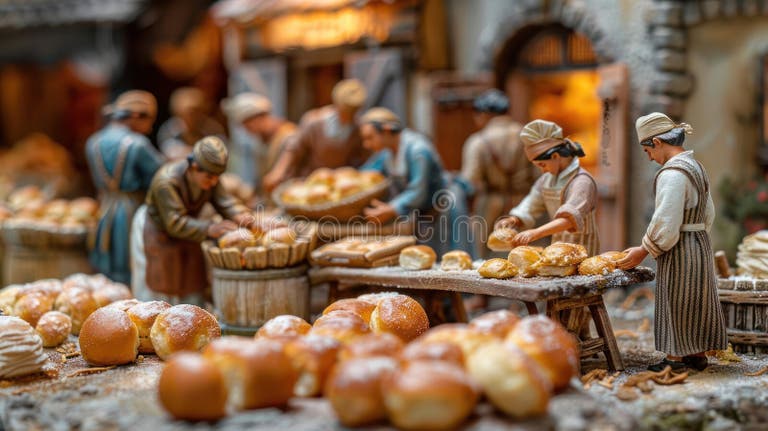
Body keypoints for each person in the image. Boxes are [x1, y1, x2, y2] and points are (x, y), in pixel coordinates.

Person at [617, 112, 727, 371]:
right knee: (698, 299)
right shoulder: (696, 167)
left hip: (679, 247)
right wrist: (698, 234)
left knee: (676, 299)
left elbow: (665, 220)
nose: (649, 157)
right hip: (699, 241)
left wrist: (644, 249)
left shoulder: (672, 174)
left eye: (647, 151)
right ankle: (697, 353)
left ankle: (675, 359)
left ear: (657, 142)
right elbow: (708, 211)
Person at [140, 136, 252, 306]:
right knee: (166, 282)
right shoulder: (166, 183)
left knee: (193, 278)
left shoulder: (210, 176)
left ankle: (193, 313)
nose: (214, 182)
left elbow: (224, 202)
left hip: (192, 230)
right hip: (162, 234)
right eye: (209, 177)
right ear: (194, 168)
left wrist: (242, 216)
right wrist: (209, 229)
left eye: (217, 177)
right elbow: (174, 223)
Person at [358, 107, 471, 256]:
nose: (367, 144)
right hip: (423, 213)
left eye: (370, 138)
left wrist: (391, 209)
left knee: (454, 256)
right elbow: (365, 173)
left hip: (443, 207)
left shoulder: (418, 150)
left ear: (385, 130)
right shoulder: (386, 153)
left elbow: (418, 191)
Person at [85, 90, 165, 285]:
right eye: (150, 120)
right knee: (130, 260)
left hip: (104, 208)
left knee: (107, 261)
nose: (150, 127)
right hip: (132, 209)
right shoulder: (138, 144)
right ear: (136, 117)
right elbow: (162, 176)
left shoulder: (93, 142)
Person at [495, 119, 599, 254]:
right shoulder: (546, 180)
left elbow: (568, 219)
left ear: (555, 156)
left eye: (543, 165)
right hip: (558, 245)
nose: (542, 171)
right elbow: (531, 203)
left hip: (582, 246)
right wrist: (514, 219)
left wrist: (536, 233)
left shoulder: (582, 182)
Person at [461, 89, 538, 258]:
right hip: (525, 203)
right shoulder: (529, 136)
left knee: (486, 256)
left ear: (484, 114)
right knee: (527, 254)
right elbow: (541, 173)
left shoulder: (478, 141)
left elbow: (470, 180)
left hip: (490, 204)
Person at [262, 79, 369, 192]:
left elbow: (362, 156)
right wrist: (279, 172)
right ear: (336, 105)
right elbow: (294, 149)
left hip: (338, 186)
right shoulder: (314, 122)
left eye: (352, 113)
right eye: (345, 111)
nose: (348, 116)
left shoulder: (357, 128)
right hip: (311, 183)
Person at [221, 92, 296, 193]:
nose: (246, 130)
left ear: (258, 117)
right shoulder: (261, 142)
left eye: (247, 125)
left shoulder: (289, 136)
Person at [157, 87, 225, 160]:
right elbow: (170, 153)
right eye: (189, 112)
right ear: (177, 112)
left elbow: (221, 152)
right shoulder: (168, 129)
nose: (194, 116)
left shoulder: (213, 129)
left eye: (198, 111)